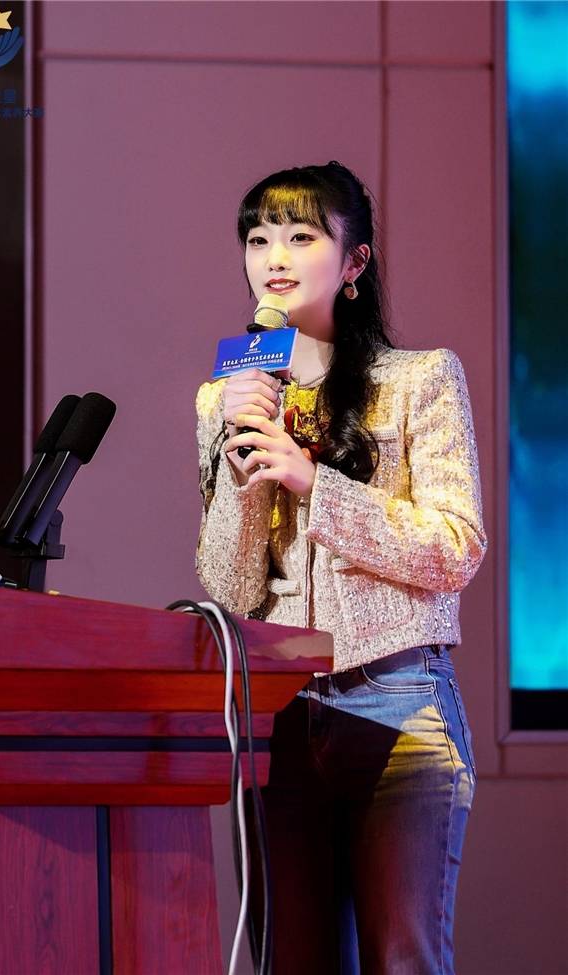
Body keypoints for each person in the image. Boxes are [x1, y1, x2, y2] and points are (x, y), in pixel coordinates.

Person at [195, 161, 487, 975]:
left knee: (404, 957)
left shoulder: (420, 380)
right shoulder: (226, 394)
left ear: (354, 261)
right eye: (258, 239)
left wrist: (313, 483)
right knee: (292, 958)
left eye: (300, 236)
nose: (274, 257)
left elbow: (455, 547)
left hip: (401, 703)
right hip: (280, 712)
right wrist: (245, 463)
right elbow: (231, 585)